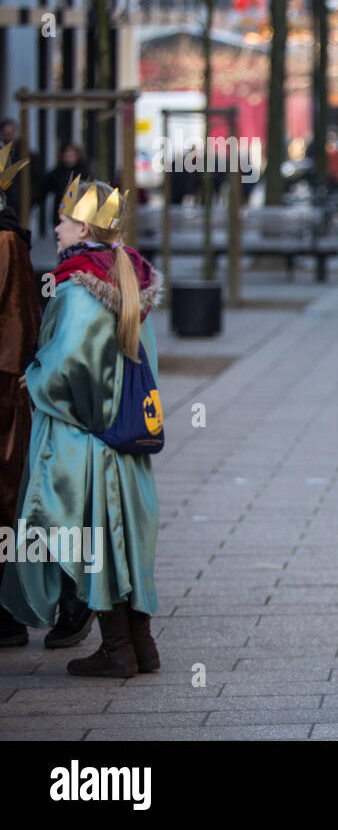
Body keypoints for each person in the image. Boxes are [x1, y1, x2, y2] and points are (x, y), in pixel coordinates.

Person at [0, 178, 164, 677]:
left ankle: (117, 650)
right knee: (127, 542)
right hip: (128, 437)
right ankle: (140, 645)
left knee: (96, 539)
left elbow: (67, 364)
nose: (55, 227)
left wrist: (34, 376)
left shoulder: (76, 287)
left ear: (85, 228)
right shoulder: (131, 274)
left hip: (88, 441)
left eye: (64, 220)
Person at [0, 145, 44, 646]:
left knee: (7, 496)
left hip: (5, 389)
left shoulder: (6, 240)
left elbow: (16, 316)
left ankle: (9, 613)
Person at [0, 120, 44, 237]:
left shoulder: (28, 155)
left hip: (20, 206)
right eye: (6, 134)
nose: (9, 137)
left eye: (11, 133)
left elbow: (38, 180)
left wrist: (29, 200)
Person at [44, 142, 94, 232]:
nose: (68, 159)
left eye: (71, 156)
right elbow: (44, 188)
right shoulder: (57, 172)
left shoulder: (84, 171)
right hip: (61, 212)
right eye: (66, 156)